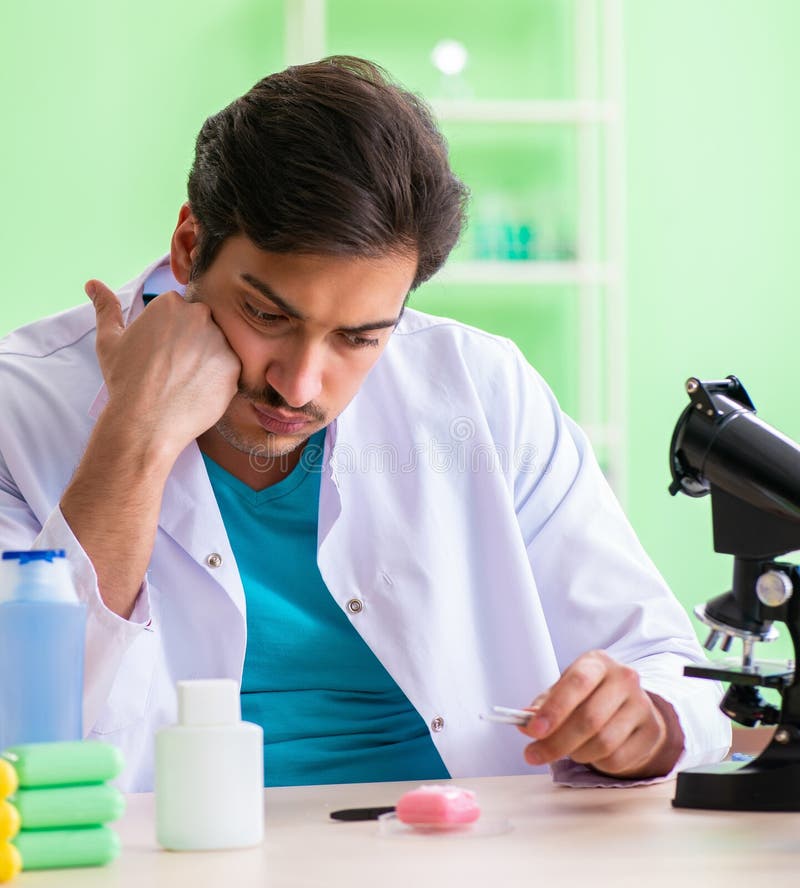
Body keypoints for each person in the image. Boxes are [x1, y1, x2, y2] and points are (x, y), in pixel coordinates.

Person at [0, 56, 729, 791]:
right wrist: (134, 437)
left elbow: (667, 662)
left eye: (360, 337)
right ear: (189, 246)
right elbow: (21, 730)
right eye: (266, 314)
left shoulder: (482, 391)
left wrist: (649, 721)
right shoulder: (20, 403)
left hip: (473, 850)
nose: (299, 384)